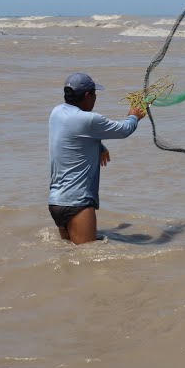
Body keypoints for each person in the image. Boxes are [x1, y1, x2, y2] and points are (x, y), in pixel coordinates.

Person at [48, 72, 146, 244]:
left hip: (56, 202)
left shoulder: (56, 112)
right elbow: (124, 130)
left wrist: (99, 146)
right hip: (78, 204)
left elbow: (72, 136)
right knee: (87, 260)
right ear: (87, 95)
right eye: (94, 94)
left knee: (66, 255)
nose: (95, 99)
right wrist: (134, 116)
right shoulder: (90, 119)